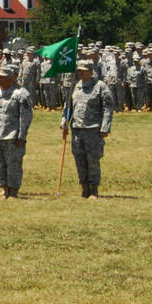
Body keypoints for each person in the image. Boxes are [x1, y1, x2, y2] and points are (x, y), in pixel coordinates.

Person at [63, 59, 113, 199]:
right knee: (79, 159)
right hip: (77, 129)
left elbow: (108, 108)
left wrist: (105, 127)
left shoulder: (100, 86)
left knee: (93, 160)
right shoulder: (76, 86)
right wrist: (64, 122)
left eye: (84, 71)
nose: (81, 73)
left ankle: (94, 189)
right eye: (80, 71)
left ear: (91, 72)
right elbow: (69, 106)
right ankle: (84, 187)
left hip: (93, 130)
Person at [0, 63, 34, 199]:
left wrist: (21, 136)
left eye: (4, 77)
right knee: (0, 163)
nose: (0, 80)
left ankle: (13, 190)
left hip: (13, 136)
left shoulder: (20, 95)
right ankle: (5, 188)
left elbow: (25, 117)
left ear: (11, 78)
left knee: (13, 164)